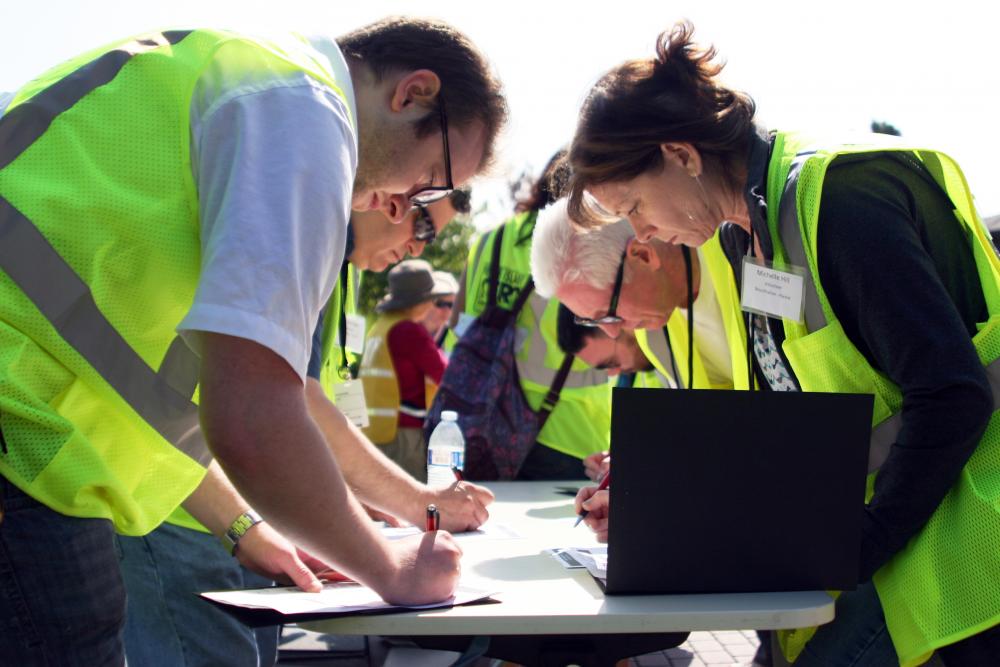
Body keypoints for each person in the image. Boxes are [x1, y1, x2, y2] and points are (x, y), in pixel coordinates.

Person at [0, 17, 506, 664]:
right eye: (432, 178)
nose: (407, 203)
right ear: (412, 93)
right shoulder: (306, 109)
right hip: (20, 433)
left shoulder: (260, 79)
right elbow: (253, 413)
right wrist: (390, 567)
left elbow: (249, 398)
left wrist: (367, 521)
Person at [565, 20, 999, 667]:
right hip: (888, 533)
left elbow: (954, 396)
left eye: (633, 204)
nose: (642, 230)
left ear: (681, 155)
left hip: (956, 533)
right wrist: (655, 489)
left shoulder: (844, 203)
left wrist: (856, 546)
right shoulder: (747, 230)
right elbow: (779, 407)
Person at [119, 194, 482, 667]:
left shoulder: (338, 262)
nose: (417, 248)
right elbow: (295, 400)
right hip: (184, 510)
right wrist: (413, 505)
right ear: (384, 196)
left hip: (248, 513)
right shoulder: (300, 235)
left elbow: (310, 403)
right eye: (424, 227)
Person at [448, 152, 612, 480]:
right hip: (570, 432)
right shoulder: (588, 243)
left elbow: (458, 323)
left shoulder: (490, 240)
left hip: (485, 422)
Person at [360, 260, 456, 481]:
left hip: (376, 431)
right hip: (403, 434)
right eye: (433, 299)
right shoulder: (409, 331)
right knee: (410, 501)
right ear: (421, 301)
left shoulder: (381, 326)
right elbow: (445, 374)